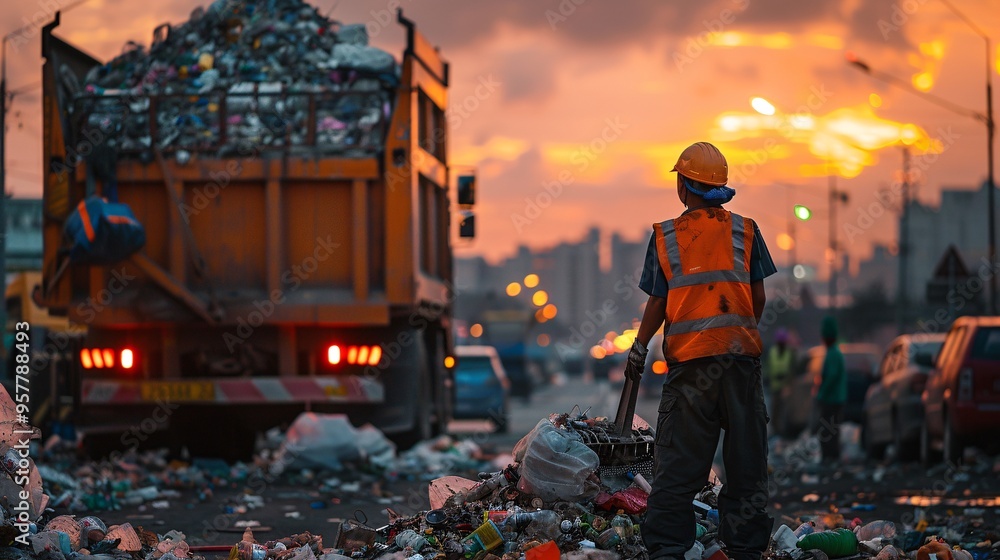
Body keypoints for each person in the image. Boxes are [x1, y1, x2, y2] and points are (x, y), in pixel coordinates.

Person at [628, 142, 777, 560]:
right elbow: (758, 295)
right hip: (740, 363)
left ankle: (669, 549)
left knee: (677, 467)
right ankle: (745, 549)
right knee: (747, 464)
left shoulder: (666, 236)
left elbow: (658, 302)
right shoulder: (746, 230)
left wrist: (639, 346)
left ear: (683, 186)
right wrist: (738, 334)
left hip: (691, 368)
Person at [814, 316, 845, 463]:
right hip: (836, 398)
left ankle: (829, 456)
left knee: (827, 430)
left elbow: (831, 377)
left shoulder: (832, 354)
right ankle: (832, 456)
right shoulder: (835, 352)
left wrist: (821, 394)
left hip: (831, 399)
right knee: (832, 429)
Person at [765, 328, 795, 435]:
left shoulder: (789, 353)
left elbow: (792, 370)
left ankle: (783, 432)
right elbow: (769, 367)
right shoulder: (772, 352)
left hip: (785, 388)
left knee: (783, 412)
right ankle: (775, 432)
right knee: (775, 411)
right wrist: (768, 377)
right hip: (775, 387)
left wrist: (787, 381)